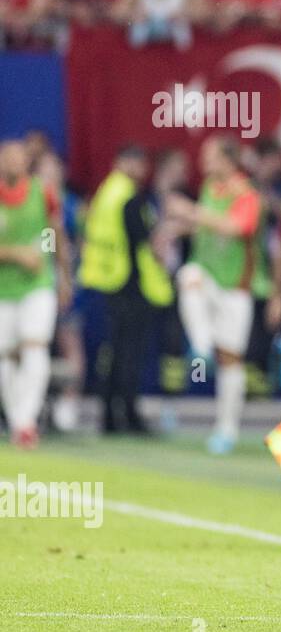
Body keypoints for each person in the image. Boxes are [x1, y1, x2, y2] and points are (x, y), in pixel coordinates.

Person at [167, 135, 266, 454]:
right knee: (188, 276)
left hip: (235, 286)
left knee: (231, 359)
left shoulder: (247, 193)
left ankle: (226, 428)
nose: (204, 163)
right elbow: (210, 226)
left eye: (210, 158)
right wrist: (180, 228)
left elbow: (236, 228)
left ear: (228, 160)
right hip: (208, 274)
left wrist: (191, 213)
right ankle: (199, 345)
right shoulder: (210, 189)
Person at [78, 146, 174, 433]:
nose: (141, 169)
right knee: (128, 353)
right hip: (129, 283)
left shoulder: (106, 192)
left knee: (115, 351)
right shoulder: (128, 196)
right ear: (124, 163)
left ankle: (110, 416)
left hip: (109, 280)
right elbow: (142, 240)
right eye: (137, 162)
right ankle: (127, 415)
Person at [0, 138, 71, 447]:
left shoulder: (43, 193)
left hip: (37, 284)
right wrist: (18, 254)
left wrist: (62, 274)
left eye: (19, 157)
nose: (13, 162)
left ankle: (26, 421)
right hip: (4, 287)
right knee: (6, 355)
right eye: (7, 157)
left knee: (35, 347)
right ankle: (17, 418)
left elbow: (51, 233)